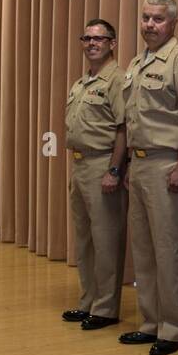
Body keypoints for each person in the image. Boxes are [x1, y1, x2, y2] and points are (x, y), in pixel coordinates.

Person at [118, 0, 178, 355]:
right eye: (145, 18)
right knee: (145, 249)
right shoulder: (138, 62)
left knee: (170, 251)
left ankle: (173, 329)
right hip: (140, 164)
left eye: (157, 19)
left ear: (172, 23)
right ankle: (151, 321)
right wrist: (127, 165)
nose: (149, 25)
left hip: (168, 164)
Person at [62, 18, 128, 330]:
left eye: (99, 39)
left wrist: (114, 170)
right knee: (85, 240)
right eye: (86, 38)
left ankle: (105, 308)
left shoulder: (117, 80)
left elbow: (123, 128)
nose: (92, 44)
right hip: (80, 165)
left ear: (112, 43)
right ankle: (87, 300)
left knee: (106, 240)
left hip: (103, 165)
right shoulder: (81, 82)